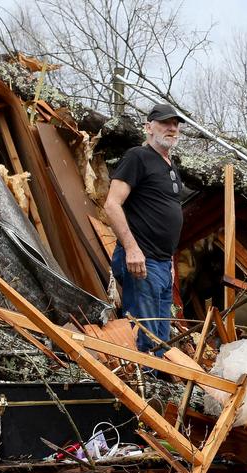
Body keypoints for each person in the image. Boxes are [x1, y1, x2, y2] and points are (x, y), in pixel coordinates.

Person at [103, 103, 187, 355]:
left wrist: (169, 260)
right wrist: (131, 249)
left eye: (175, 124)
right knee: (145, 337)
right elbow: (111, 204)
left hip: (161, 264)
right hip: (142, 261)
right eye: (164, 123)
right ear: (148, 127)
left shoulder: (170, 165)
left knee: (160, 338)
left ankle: (156, 390)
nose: (171, 128)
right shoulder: (137, 157)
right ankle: (141, 387)